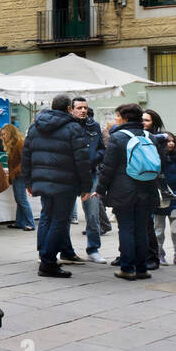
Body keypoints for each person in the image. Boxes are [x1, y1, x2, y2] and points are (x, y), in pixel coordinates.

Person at [22, 94, 92, 278]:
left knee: (48, 216)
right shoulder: (73, 128)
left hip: (43, 181)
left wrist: (28, 181)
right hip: (65, 184)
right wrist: (86, 185)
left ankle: (44, 254)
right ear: (69, 109)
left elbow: (26, 155)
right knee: (60, 221)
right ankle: (48, 261)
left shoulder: (35, 127)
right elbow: (81, 160)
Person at [97, 103, 161, 281]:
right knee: (141, 230)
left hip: (123, 191)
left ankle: (127, 268)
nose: (116, 119)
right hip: (147, 189)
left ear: (124, 118)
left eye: (117, 116)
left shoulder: (117, 137)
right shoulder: (150, 136)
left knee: (126, 229)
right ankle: (141, 269)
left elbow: (108, 168)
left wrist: (100, 190)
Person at [71, 97, 106, 262]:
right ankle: (63, 248)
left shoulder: (94, 126)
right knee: (64, 215)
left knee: (93, 215)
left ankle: (93, 249)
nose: (83, 110)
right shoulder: (67, 126)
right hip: (70, 175)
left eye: (85, 107)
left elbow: (102, 148)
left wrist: (94, 158)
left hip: (91, 174)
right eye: (79, 108)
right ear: (72, 109)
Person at [153, 132, 176, 266]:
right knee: (158, 230)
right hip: (161, 201)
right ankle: (158, 255)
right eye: (167, 141)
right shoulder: (156, 158)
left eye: (173, 141)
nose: (171, 143)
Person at [1, 122, 34, 231]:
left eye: (4, 134)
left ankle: (30, 222)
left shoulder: (20, 143)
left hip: (20, 175)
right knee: (19, 199)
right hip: (17, 175)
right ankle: (19, 222)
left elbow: (25, 160)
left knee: (21, 199)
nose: (2, 137)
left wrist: (15, 171)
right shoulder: (15, 144)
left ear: (10, 133)